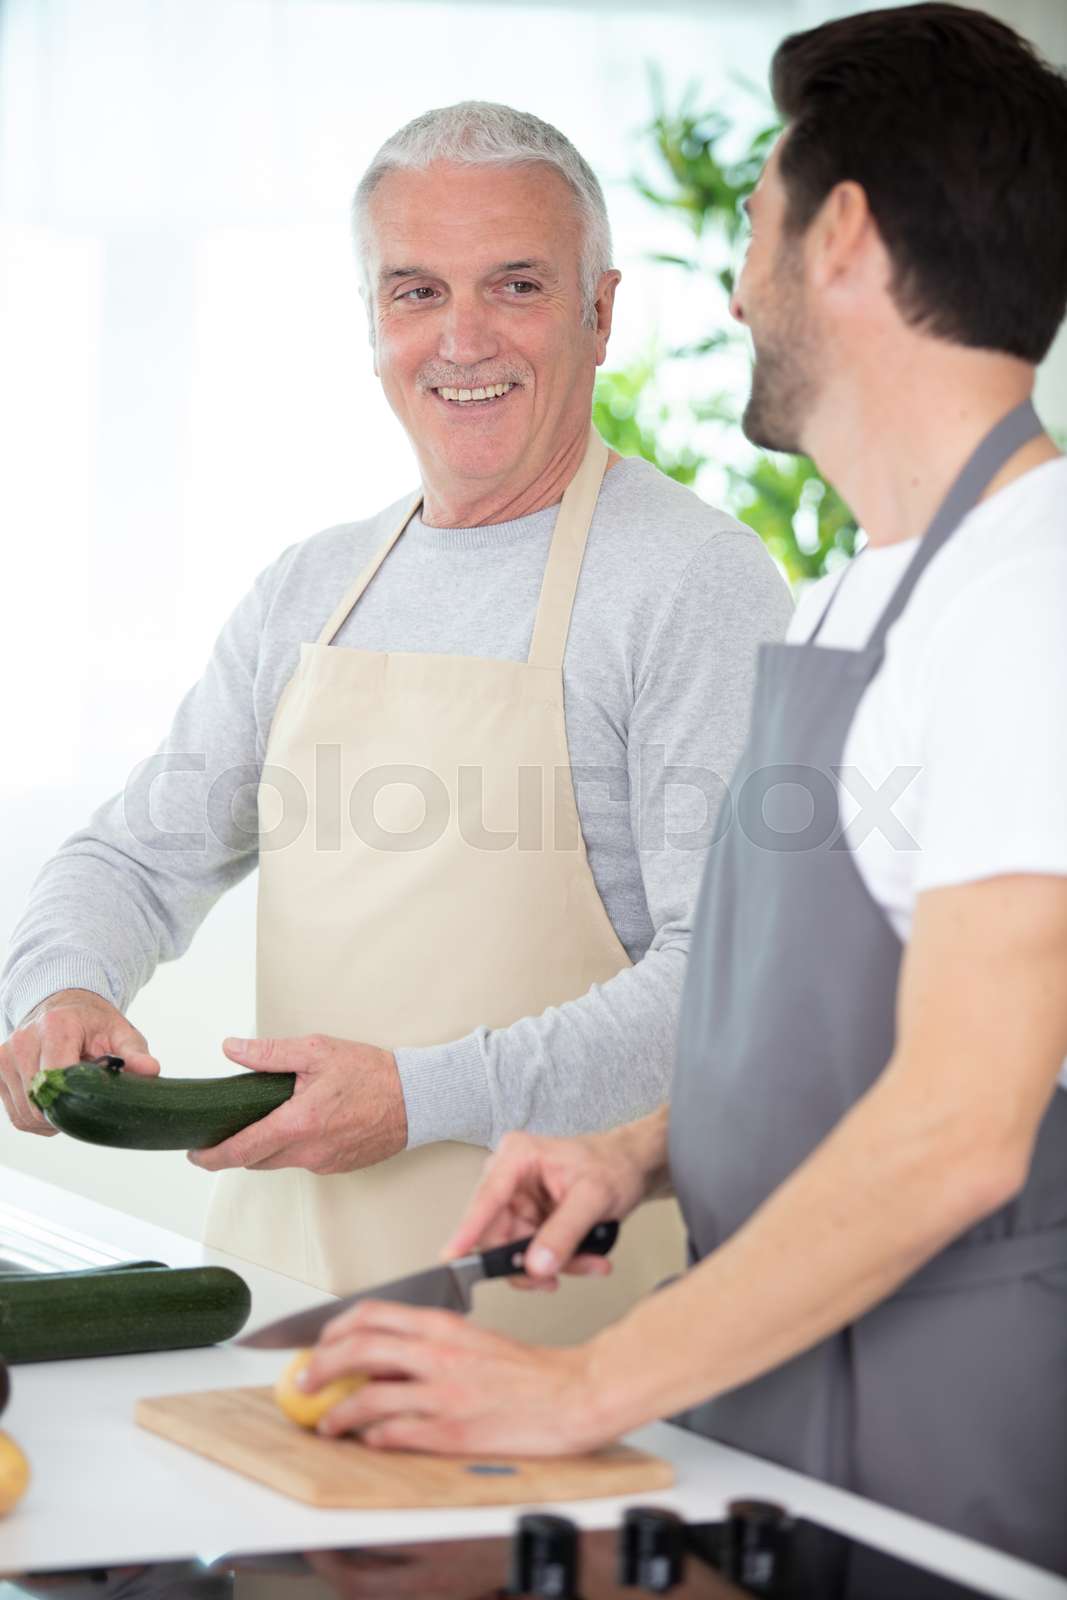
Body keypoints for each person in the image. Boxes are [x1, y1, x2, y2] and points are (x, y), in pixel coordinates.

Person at [293, 6, 1067, 1571]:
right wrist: (636, 1149)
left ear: (840, 237)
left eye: (759, 224)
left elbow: (961, 1128)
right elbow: (830, 1015)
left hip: (938, 1437)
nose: (732, 285)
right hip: (774, 1396)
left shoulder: (1030, 600)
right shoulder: (878, 585)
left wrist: (576, 1386)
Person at [0, 103, 790, 1340]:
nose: (461, 338)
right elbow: (131, 856)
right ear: (371, 320)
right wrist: (61, 986)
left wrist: (418, 1098)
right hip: (272, 1303)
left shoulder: (693, 581)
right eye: (415, 291)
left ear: (599, 310)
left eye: (515, 284)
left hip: (551, 1318)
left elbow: (727, 987)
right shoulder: (311, 585)